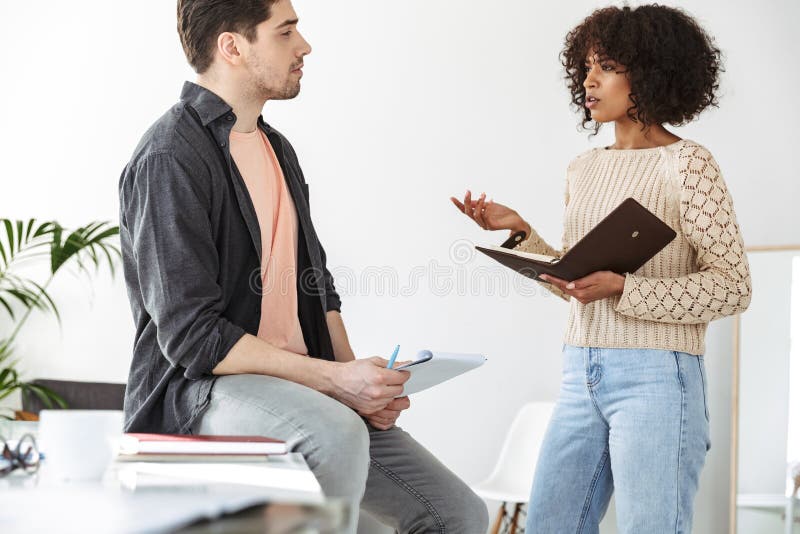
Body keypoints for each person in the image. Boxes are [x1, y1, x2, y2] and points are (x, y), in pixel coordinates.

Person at [118, 1, 488, 532]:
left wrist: (363, 384)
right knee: (333, 434)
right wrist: (336, 381)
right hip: (198, 394)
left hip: (305, 388)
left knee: (458, 515)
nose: (305, 46)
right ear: (233, 47)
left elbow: (317, 284)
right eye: (286, 31)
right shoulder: (170, 157)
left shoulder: (276, 148)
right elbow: (192, 338)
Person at [451, 5, 751, 533]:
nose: (588, 80)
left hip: (658, 377)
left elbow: (732, 287)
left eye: (607, 65)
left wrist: (625, 288)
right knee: (550, 525)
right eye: (586, 66)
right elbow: (578, 282)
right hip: (579, 372)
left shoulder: (688, 163)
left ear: (651, 72)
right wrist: (521, 233)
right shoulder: (583, 167)